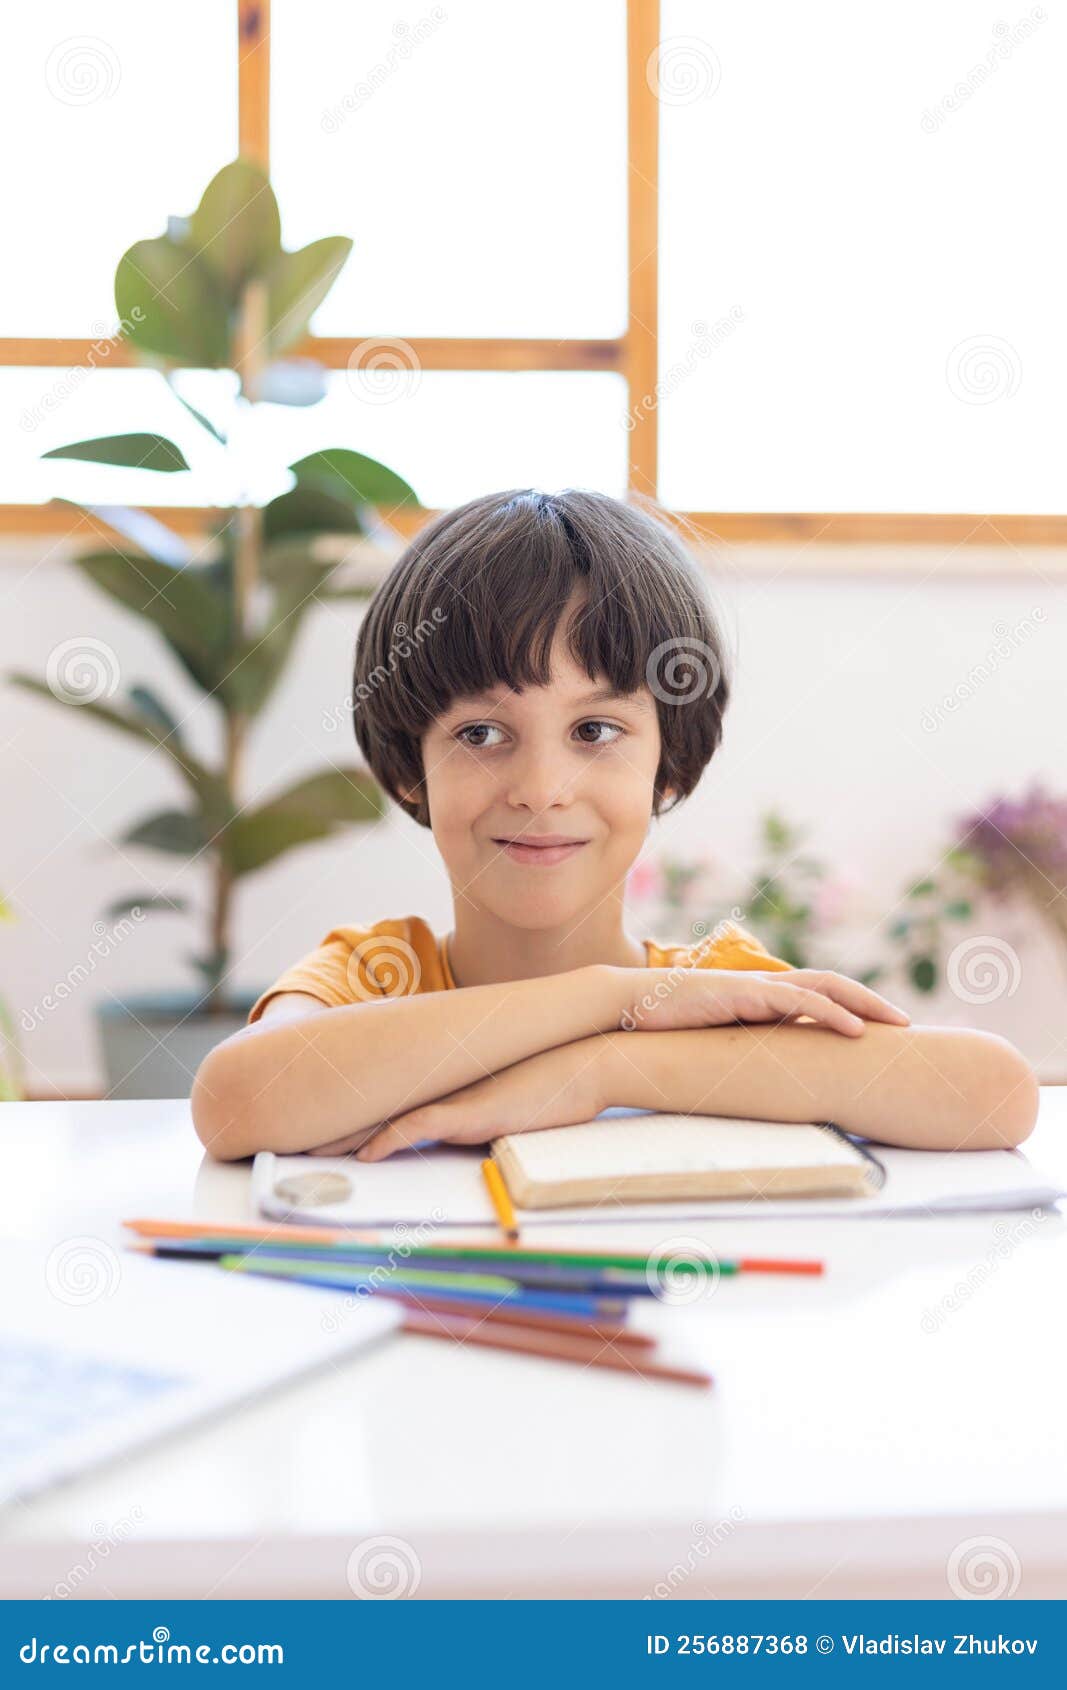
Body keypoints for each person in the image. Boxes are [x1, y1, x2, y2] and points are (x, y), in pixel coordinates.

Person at [191, 489, 1038, 1162]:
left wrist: (603, 1066)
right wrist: (609, 1000)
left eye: (594, 730)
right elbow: (236, 1103)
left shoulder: (715, 994)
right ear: (411, 767)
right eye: (480, 734)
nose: (540, 790)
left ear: (669, 761)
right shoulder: (371, 977)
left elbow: (990, 1094)